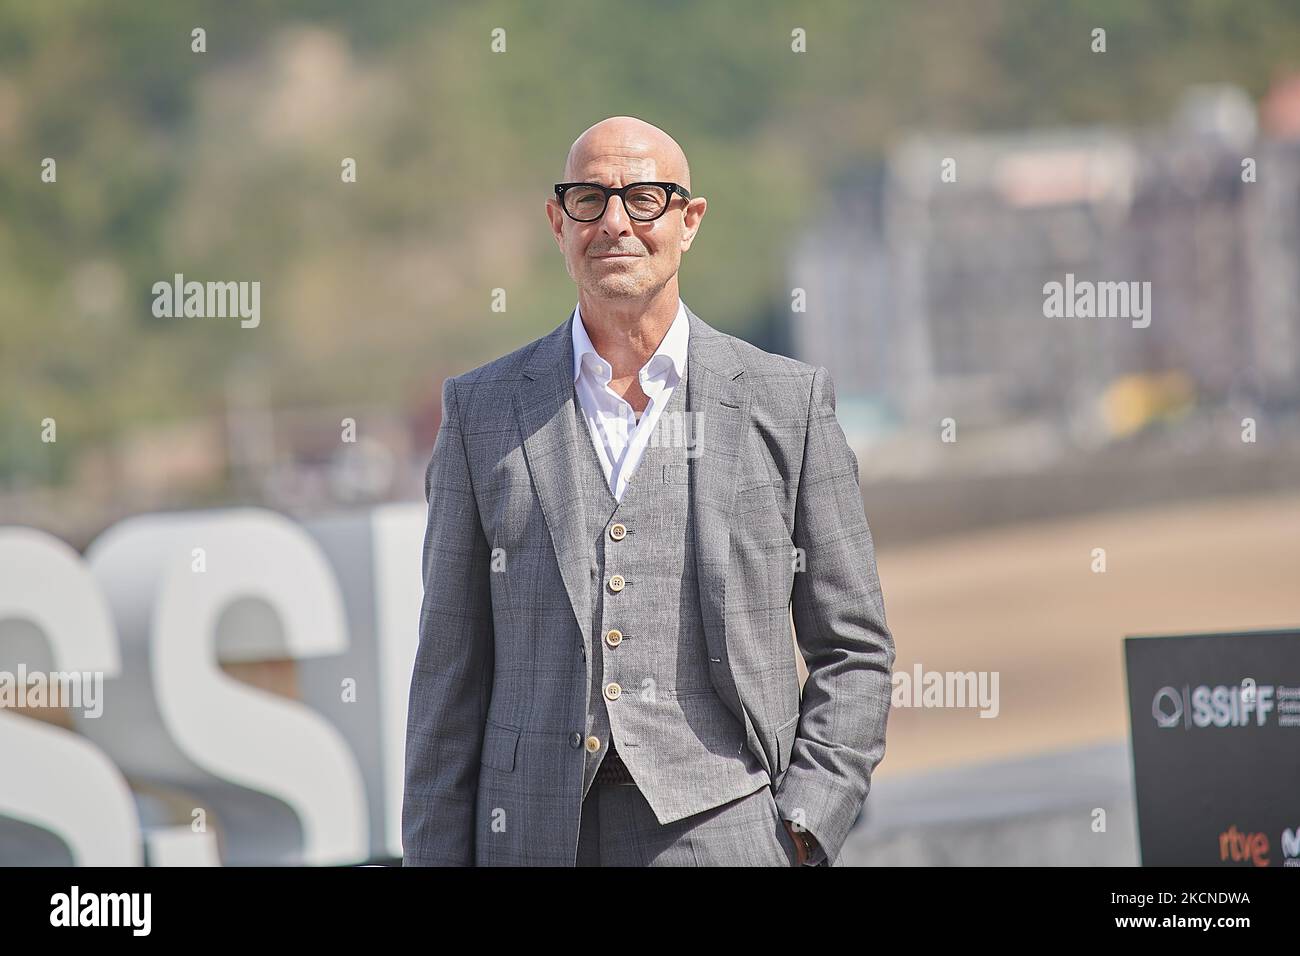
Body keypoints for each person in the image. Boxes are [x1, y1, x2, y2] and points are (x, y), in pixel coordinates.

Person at [402, 116, 894, 866]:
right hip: (530, 839)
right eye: (590, 200)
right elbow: (446, 674)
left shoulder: (785, 403)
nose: (615, 223)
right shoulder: (482, 412)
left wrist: (802, 829)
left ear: (689, 220)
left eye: (645, 198)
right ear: (557, 222)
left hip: (729, 830)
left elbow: (853, 650)